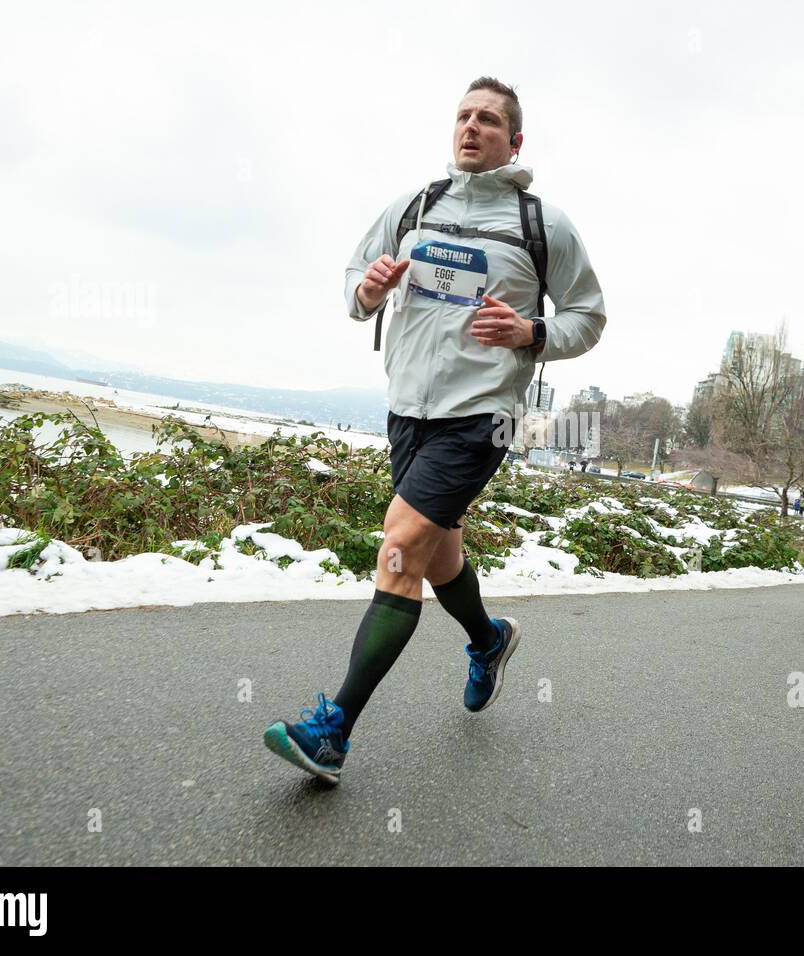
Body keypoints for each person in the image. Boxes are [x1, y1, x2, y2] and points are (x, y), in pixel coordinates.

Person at [264, 77, 606, 784]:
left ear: (515, 142)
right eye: (463, 116)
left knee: (399, 547)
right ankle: (488, 639)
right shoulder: (418, 205)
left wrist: (531, 329)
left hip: (484, 416)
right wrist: (369, 292)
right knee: (435, 548)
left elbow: (588, 316)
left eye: (488, 119)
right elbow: (358, 274)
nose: (471, 127)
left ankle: (334, 733)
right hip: (408, 410)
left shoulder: (544, 225)